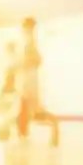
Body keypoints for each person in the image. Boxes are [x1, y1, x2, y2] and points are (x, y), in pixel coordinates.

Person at [14, 17, 60, 146]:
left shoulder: (30, 42)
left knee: (35, 111)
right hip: (25, 81)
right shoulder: (26, 42)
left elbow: (37, 60)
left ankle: (54, 125)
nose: (24, 30)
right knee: (25, 109)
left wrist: (24, 64)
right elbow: (34, 60)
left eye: (27, 27)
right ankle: (22, 134)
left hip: (29, 81)